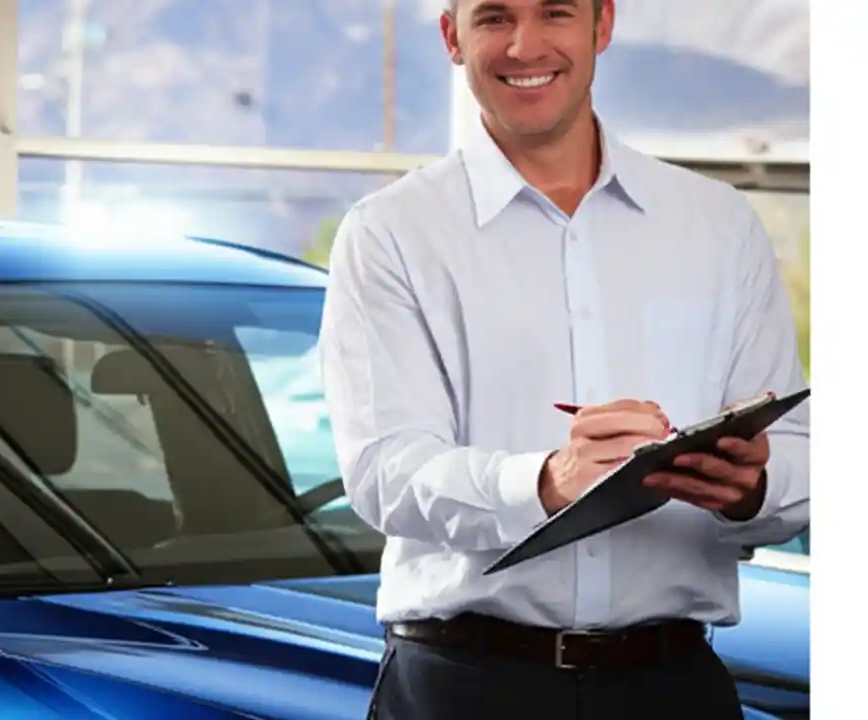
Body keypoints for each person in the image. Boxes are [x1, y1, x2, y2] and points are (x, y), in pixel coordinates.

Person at [316, 0, 810, 718]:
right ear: (453, 37)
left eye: (554, 12)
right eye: (493, 18)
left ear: (601, 25)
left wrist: (753, 488)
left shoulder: (719, 226)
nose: (525, 45)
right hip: (460, 689)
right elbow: (383, 472)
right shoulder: (389, 235)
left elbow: (802, 456)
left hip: (676, 690)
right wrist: (546, 482)